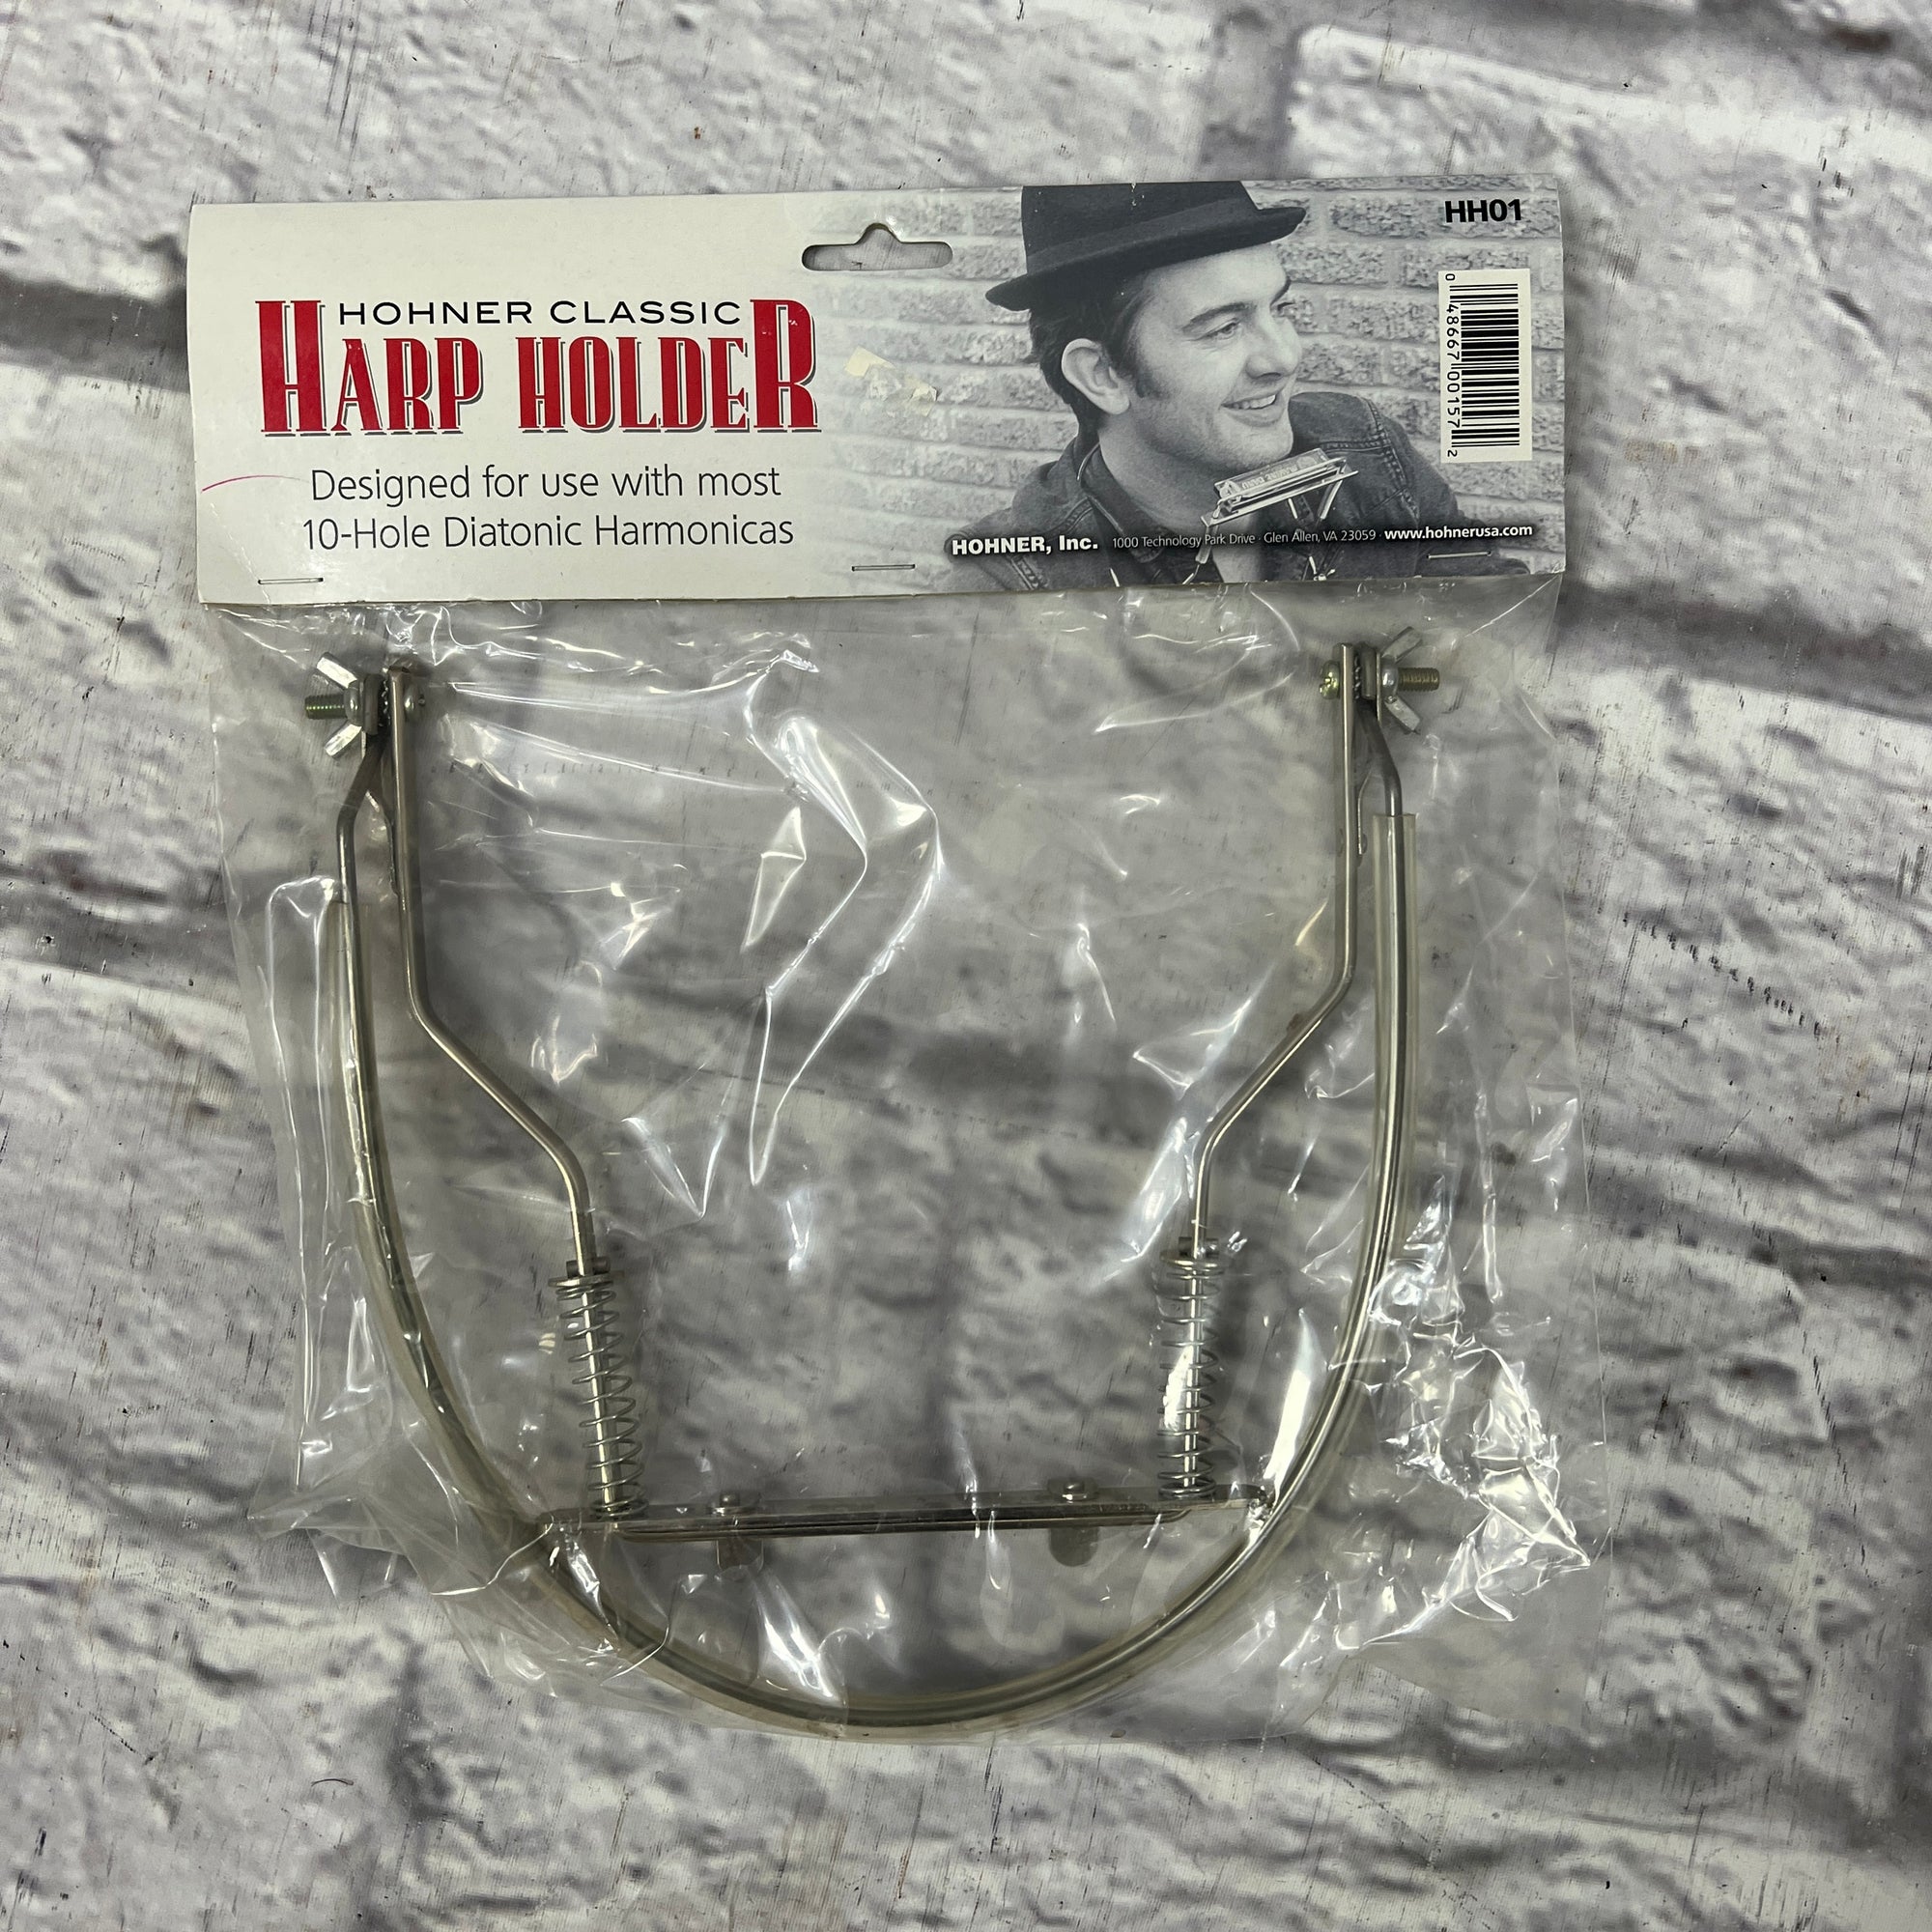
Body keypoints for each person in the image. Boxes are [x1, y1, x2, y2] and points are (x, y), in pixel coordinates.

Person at [949, 181, 1506, 590]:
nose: (1283, 358)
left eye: (1279, 309)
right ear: (1103, 374)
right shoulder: (1013, 589)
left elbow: (1495, 624)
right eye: (1223, 328)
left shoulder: (1365, 448)